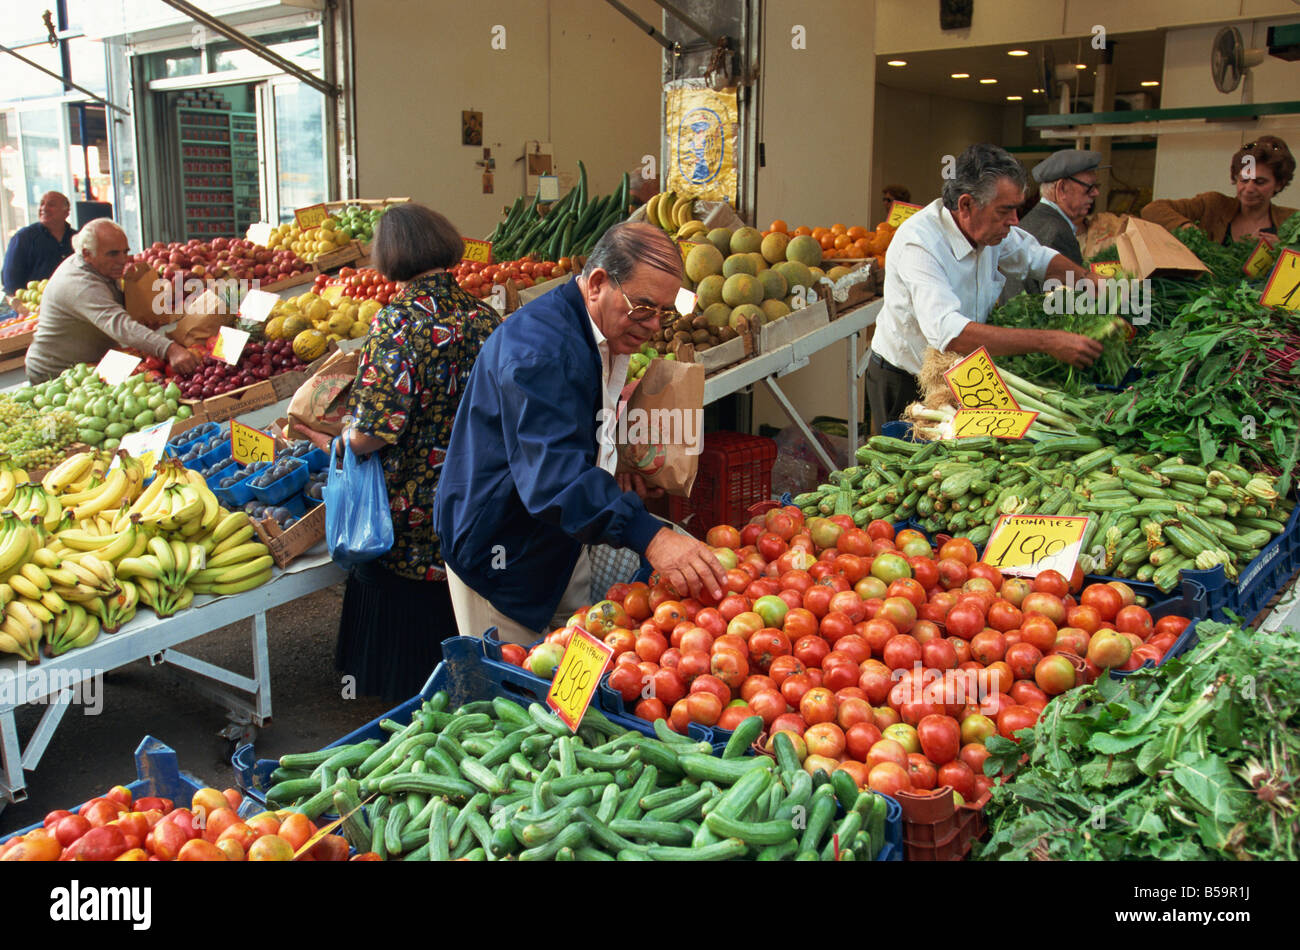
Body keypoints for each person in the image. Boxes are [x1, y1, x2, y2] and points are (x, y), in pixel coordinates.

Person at [433, 221, 727, 646]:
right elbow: (554, 478)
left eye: (665, 311)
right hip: (501, 552)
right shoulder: (541, 351)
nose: (652, 326)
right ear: (597, 284)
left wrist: (607, 458)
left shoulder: (595, 329)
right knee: (521, 687)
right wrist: (649, 536)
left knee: (569, 668)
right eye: (643, 306)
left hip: (552, 539)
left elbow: (566, 433)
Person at [295, 203, 500, 702]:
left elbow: (374, 432)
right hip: (470, 495)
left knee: (402, 605)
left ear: (389, 257)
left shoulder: (398, 322)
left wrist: (326, 438)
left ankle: (402, 698)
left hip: (408, 503)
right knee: (449, 600)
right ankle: (463, 687)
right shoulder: (485, 316)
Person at [866, 143, 1102, 435]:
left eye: (1017, 208)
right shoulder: (920, 243)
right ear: (966, 205)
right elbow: (950, 333)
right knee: (902, 467)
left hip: (962, 372)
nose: (1015, 221)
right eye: (1006, 210)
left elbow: (1036, 257)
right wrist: (1048, 341)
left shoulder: (992, 231)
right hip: (906, 379)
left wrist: (1084, 278)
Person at [24, 220, 199, 385]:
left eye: (125, 251)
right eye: (113, 254)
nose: (123, 259)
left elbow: (115, 314)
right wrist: (171, 349)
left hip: (89, 366)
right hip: (56, 372)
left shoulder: (102, 269)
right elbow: (120, 326)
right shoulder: (80, 283)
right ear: (87, 253)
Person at [1141, 136, 1296, 245]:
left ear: (1279, 184)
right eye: (1244, 180)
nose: (1249, 189)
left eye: (1260, 182)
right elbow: (1152, 210)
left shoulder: (1292, 221)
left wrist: (1282, 249)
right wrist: (1187, 229)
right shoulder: (1213, 205)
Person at [1002, 149, 1106, 298]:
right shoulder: (1058, 232)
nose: (1096, 193)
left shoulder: (1033, 221)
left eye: (1097, 187)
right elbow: (1068, 303)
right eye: (1089, 188)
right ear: (1061, 188)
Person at [3, 191, 76, 297]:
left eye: (51, 205)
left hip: (72, 304)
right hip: (34, 306)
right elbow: (11, 283)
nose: (44, 208)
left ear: (66, 213)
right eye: (42, 204)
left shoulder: (77, 238)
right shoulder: (23, 238)